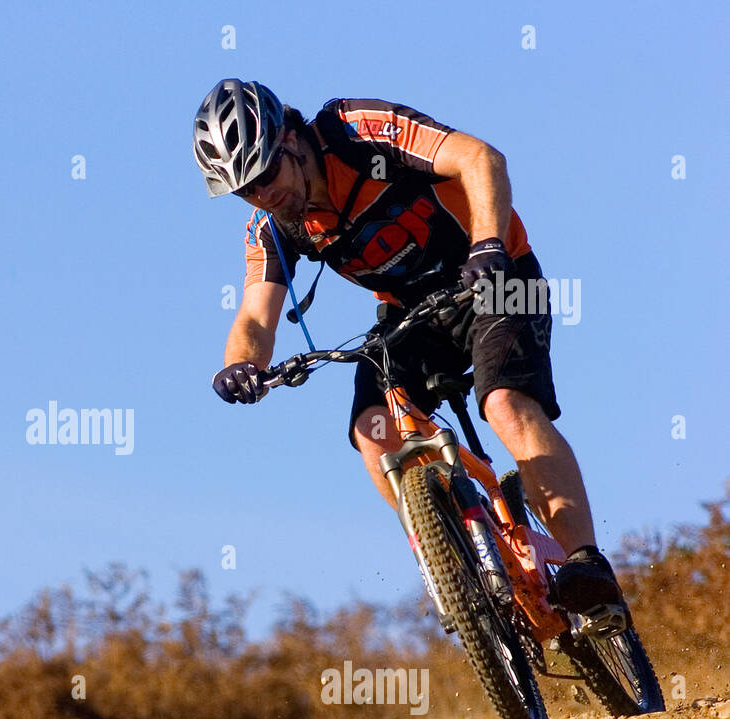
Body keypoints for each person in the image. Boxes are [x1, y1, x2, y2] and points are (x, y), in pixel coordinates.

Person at [193, 78, 624, 620]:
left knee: (505, 406)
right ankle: (452, 563)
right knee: (370, 427)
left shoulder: (354, 131)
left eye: (265, 174)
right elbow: (256, 313)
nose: (262, 194)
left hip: (497, 276)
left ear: (292, 141)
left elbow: (479, 157)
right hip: (412, 314)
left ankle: (585, 564)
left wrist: (488, 243)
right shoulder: (273, 228)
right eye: (245, 190)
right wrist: (240, 365)